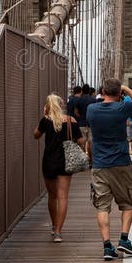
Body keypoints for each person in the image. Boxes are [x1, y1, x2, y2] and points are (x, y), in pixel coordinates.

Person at [87, 79, 132, 261]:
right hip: (120, 163)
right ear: (119, 93)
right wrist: (125, 88)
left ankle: (107, 247)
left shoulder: (91, 109)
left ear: (103, 91)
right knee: (128, 202)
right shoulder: (122, 108)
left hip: (99, 164)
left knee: (102, 206)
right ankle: (124, 240)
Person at [34, 93, 85, 243]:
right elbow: (81, 141)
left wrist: (44, 115)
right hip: (65, 162)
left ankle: (54, 225)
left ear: (48, 106)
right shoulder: (70, 121)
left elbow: (36, 135)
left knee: (52, 196)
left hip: (49, 161)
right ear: (61, 105)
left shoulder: (45, 120)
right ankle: (58, 232)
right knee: (63, 197)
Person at [73, 83, 97, 163]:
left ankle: (83, 161)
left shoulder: (79, 100)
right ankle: (91, 160)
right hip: (91, 124)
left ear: (82, 91)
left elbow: (76, 112)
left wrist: (81, 117)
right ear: (89, 91)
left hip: (81, 123)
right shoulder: (93, 100)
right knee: (91, 142)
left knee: (82, 143)